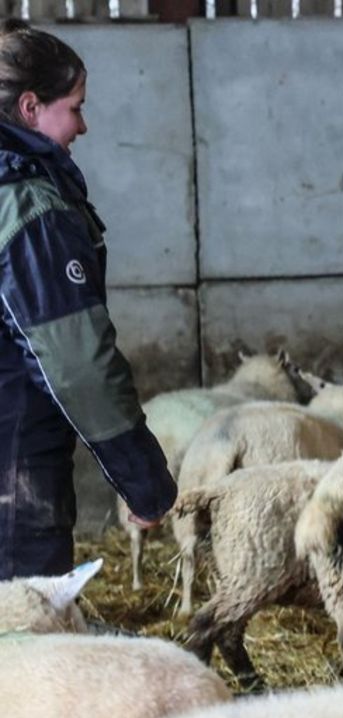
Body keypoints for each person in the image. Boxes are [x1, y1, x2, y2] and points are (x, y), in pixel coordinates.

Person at [0, 21, 174, 578]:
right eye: (74, 108)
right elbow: (77, 364)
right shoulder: (26, 206)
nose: (83, 125)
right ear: (31, 107)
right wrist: (144, 483)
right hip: (13, 468)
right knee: (23, 617)